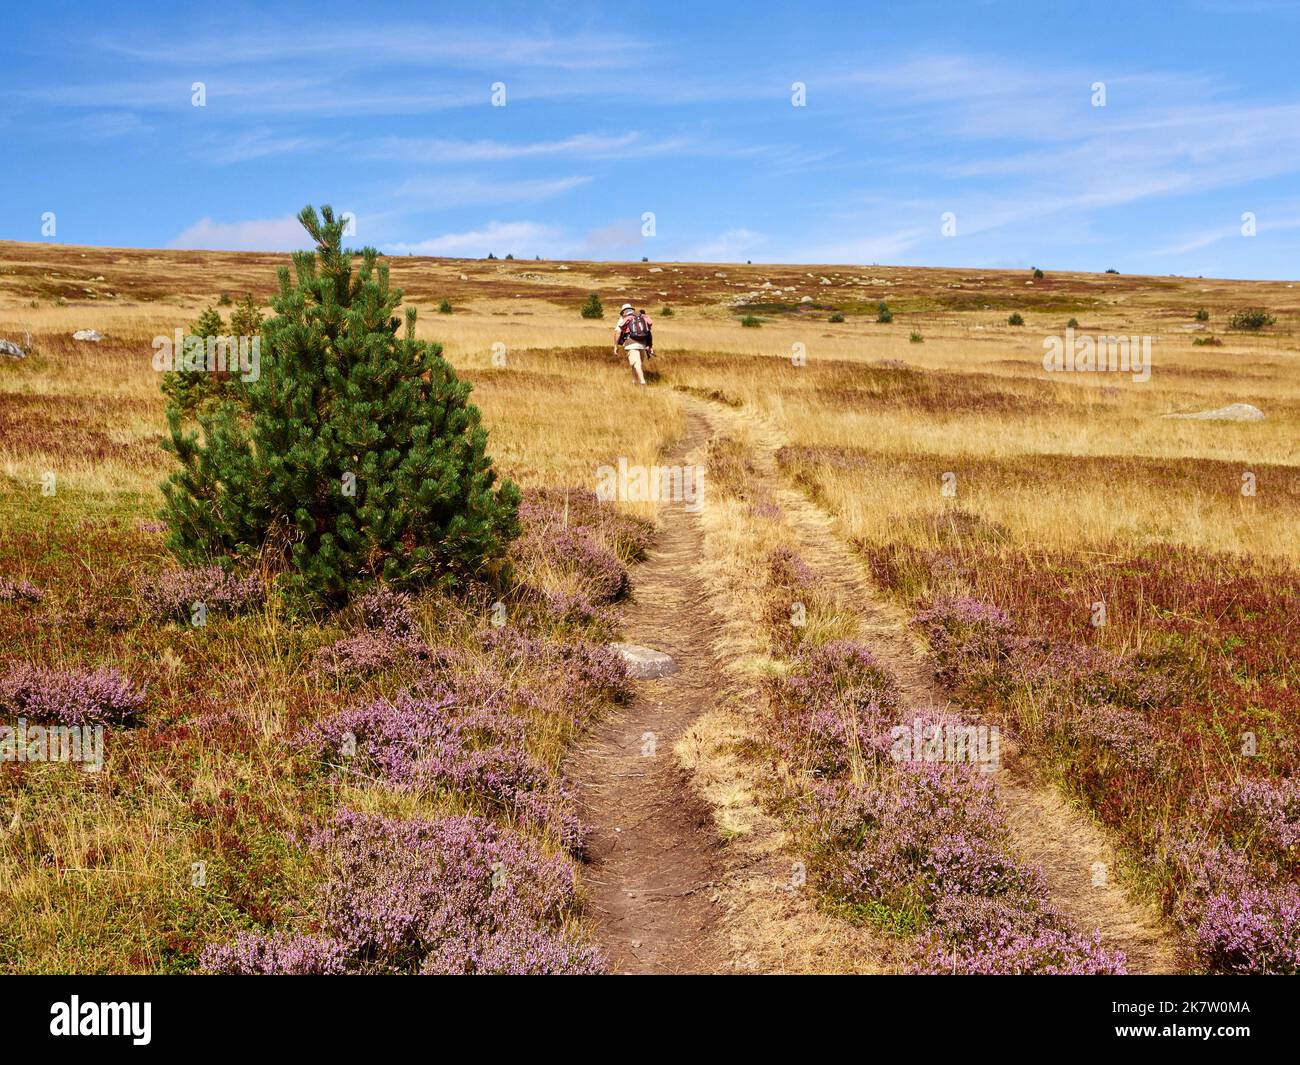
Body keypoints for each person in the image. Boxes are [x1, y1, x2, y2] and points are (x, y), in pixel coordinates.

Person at [614, 302, 653, 386]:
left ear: (623, 311)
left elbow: (618, 332)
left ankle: (643, 382)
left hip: (631, 343)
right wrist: (649, 346)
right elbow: (649, 329)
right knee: (636, 363)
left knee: (636, 364)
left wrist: (615, 346)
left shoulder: (624, 318)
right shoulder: (640, 316)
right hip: (642, 343)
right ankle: (634, 381)